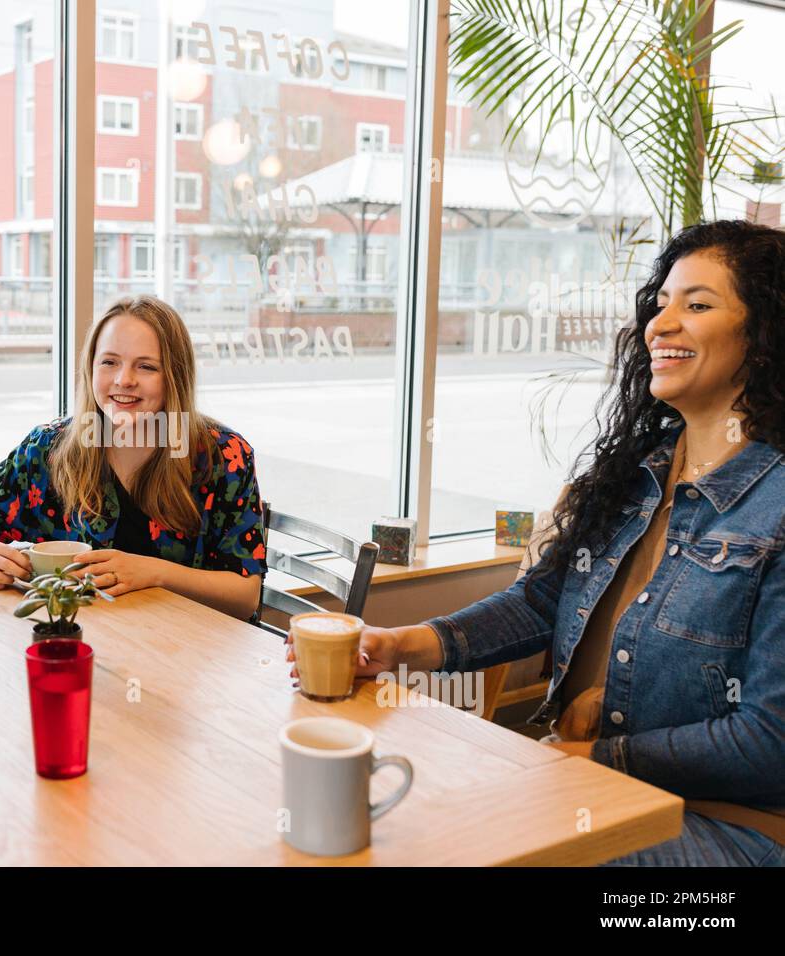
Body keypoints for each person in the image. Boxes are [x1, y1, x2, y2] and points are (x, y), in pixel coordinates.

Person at [297, 220, 785, 866]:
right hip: (594, 783)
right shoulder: (637, 473)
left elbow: (768, 739)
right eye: (661, 303)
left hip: (727, 831)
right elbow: (538, 603)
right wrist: (399, 646)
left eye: (697, 305)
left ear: (765, 335)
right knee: (401, 827)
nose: (661, 325)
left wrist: (595, 755)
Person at [0, 295, 267, 620]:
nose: (124, 380)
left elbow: (245, 597)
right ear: (90, 368)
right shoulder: (50, 447)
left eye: (146, 366)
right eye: (109, 362)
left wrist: (155, 573)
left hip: (192, 655)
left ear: (175, 377)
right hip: (88, 641)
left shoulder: (223, 456)